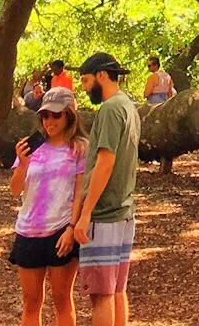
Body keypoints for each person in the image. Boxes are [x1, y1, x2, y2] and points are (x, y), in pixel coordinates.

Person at [65, 53, 139, 326]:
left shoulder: (109, 109)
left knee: (101, 294)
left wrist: (85, 214)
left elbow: (105, 163)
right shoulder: (129, 106)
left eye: (85, 80)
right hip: (124, 212)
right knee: (117, 290)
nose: (84, 88)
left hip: (105, 214)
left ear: (101, 75)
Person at [10, 86, 84, 326]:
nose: (49, 120)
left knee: (62, 299)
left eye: (56, 115)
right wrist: (22, 164)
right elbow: (14, 190)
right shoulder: (32, 147)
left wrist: (71, 229)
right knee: (31, 303)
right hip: (28, 231)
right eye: (44, 115)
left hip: (61, 230)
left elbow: (80, 191)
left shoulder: (79, 148)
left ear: (69, 114)